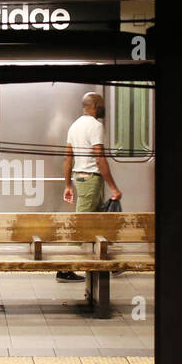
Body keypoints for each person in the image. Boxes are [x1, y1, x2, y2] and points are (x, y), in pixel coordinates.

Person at [57, 92, 121, 282]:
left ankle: (107, 264)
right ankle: (64, 269)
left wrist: (68, 184)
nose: (103, 107)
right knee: (81, 224)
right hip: (91, 179)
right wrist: (113, 187)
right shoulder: (95, 126)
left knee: (97, 223)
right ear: (93, 106)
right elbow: (100, 158)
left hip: (80, 178)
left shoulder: (75, 125)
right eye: (100, 104)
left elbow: (68, 157)